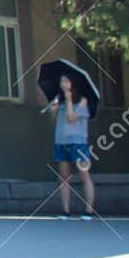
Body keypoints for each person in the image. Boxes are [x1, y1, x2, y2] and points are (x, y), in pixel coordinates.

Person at [45, 74, 95, 219]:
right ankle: (65, 210)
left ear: (73, 84)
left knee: (84, 175)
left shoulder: (82, 102)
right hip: (61, 142)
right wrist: (53, 110)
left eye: (66, 81)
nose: (63, 84)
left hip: (78, 143)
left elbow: (71, 118)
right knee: (64, 177)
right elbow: (54, 122)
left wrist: (68, 100)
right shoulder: (59, 101)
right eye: (61, 81)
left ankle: (89, 210)